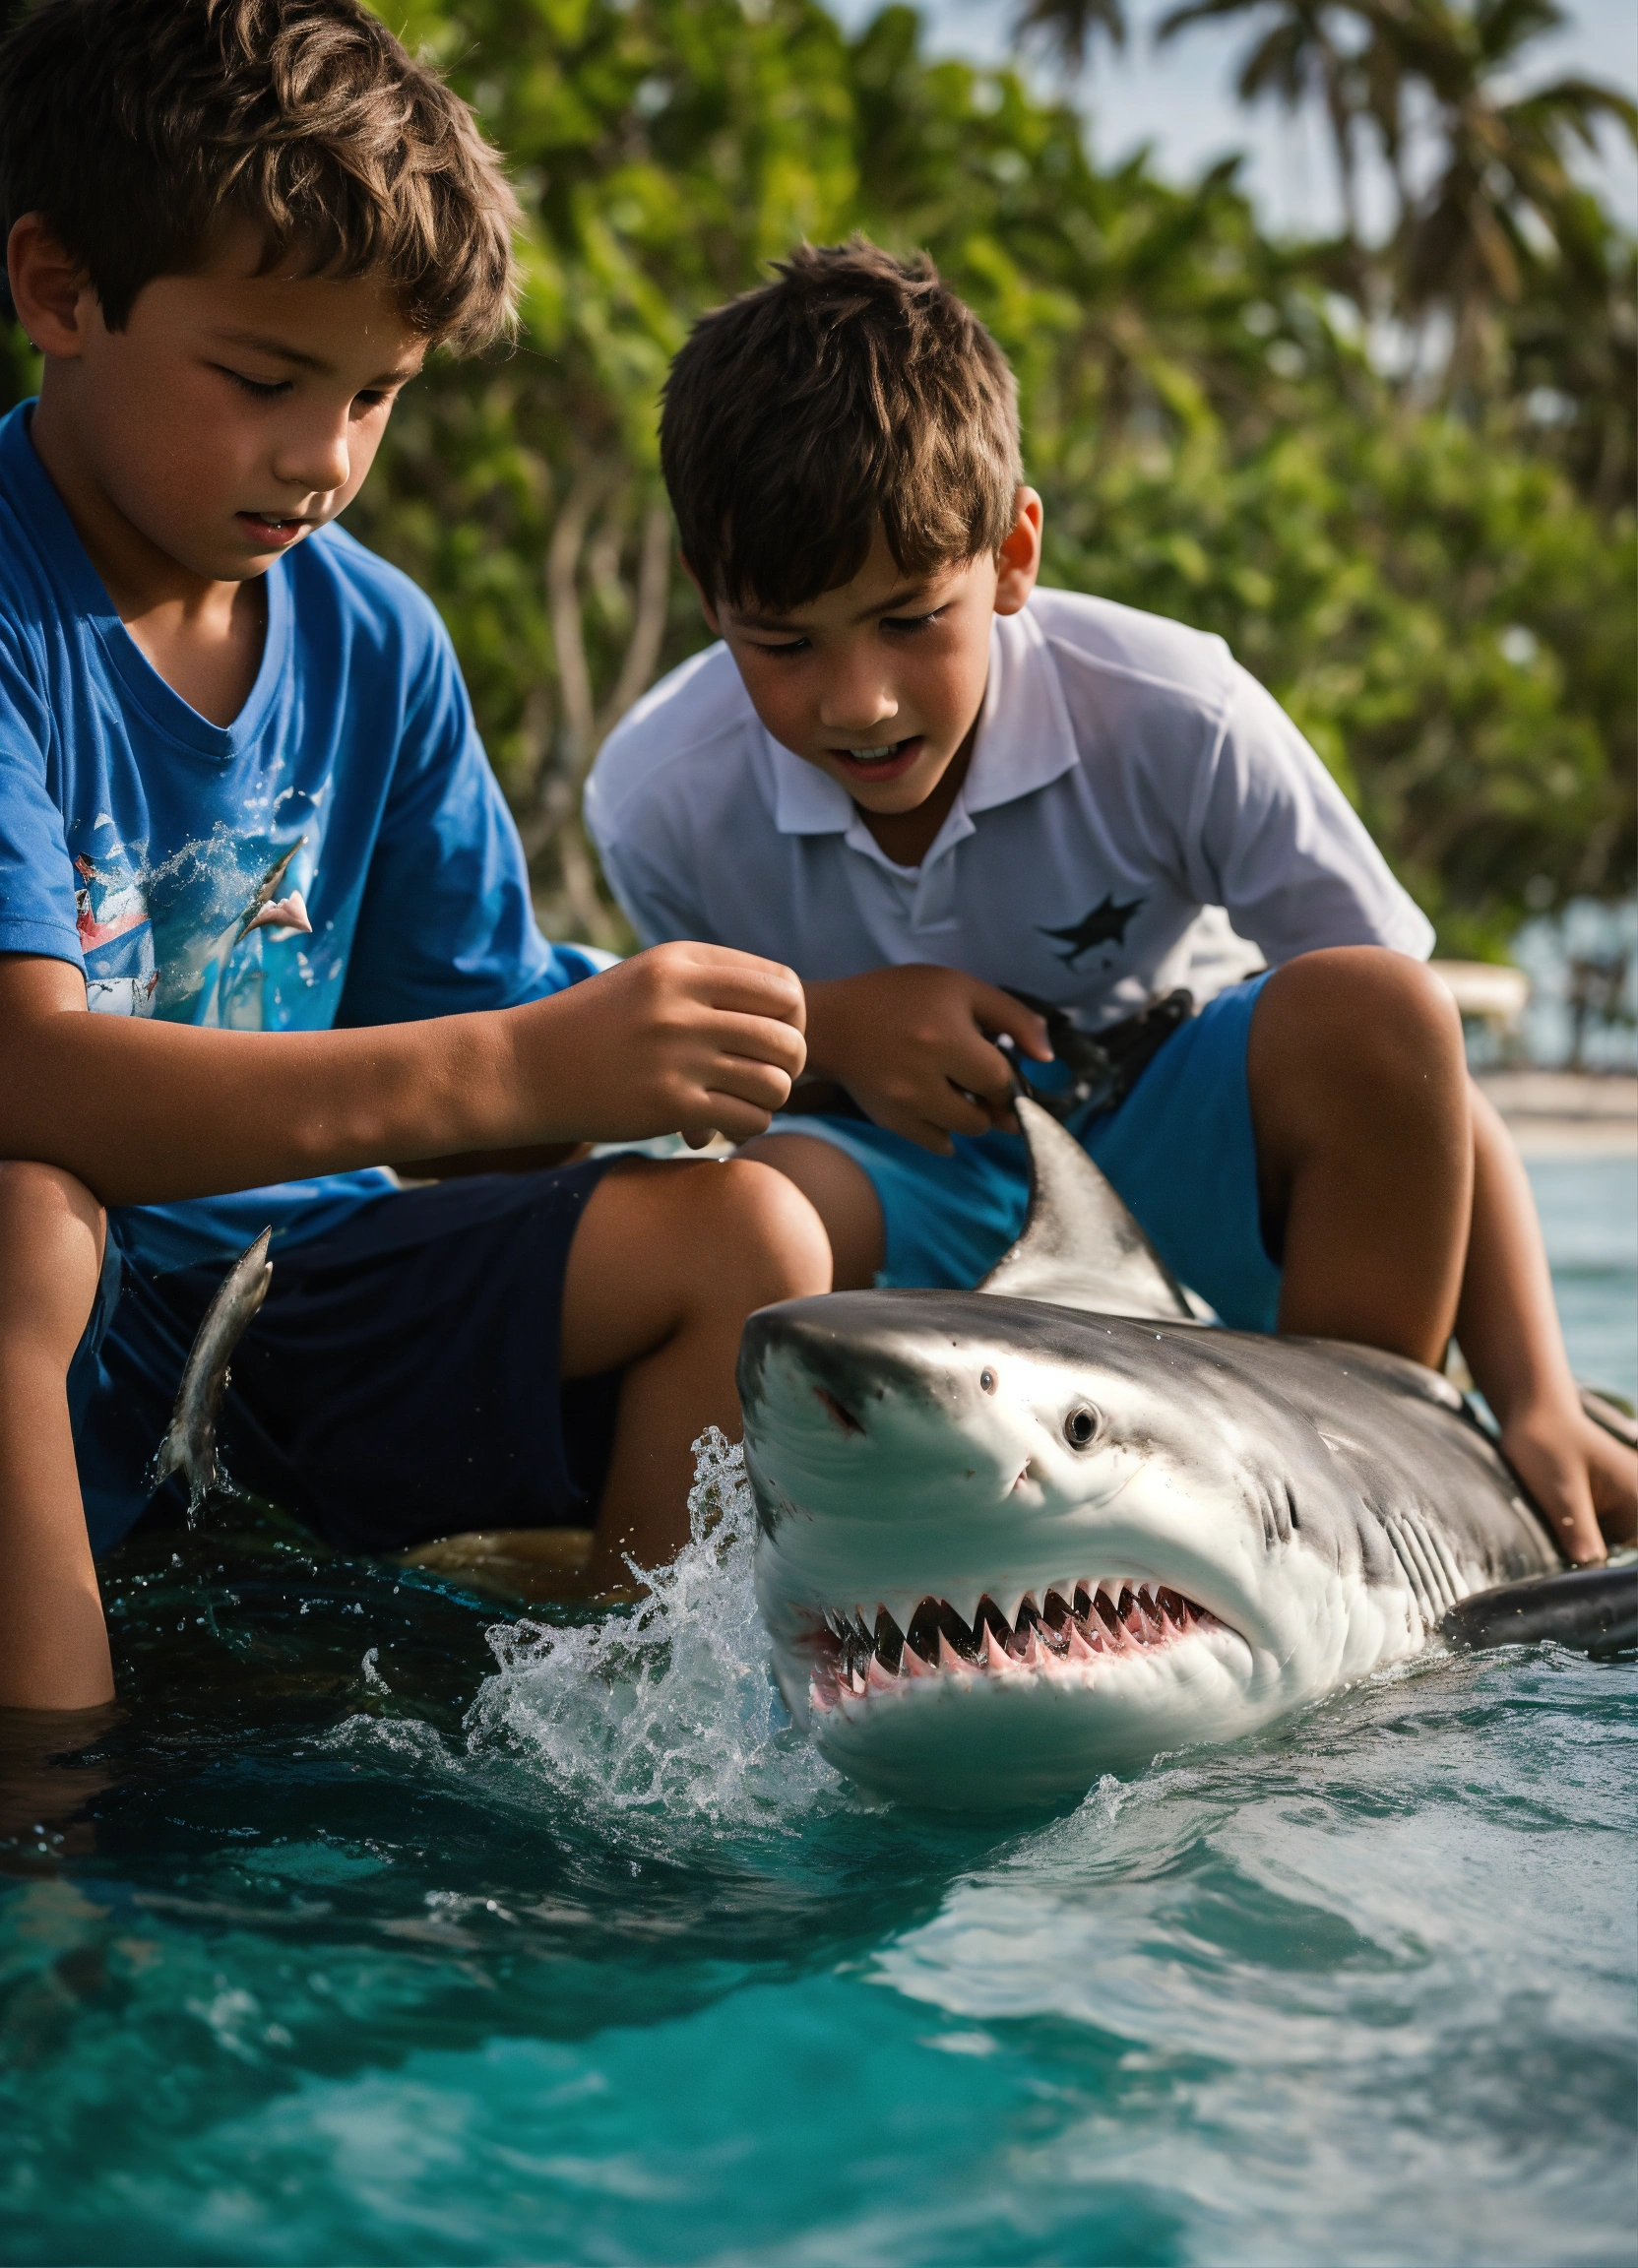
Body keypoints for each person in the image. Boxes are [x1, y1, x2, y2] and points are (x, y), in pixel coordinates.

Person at [0, 0, 833, 1717]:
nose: (325, 459)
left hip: (283, 1307)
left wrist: (667, 1051)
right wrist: (530, 1057)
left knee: (751, 1243)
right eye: (263, 379)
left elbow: (487, 1073)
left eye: (376, 395)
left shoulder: (377, 638)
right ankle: (54, 1822)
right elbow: (26, 1076)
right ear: (60, 292)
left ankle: (606, 1754)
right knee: (23, 1223)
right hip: (55, 1308)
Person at [587, 237, 1636, 1566]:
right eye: (785, 644)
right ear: (707, 599)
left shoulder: (1174, 710)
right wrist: (837, 1032)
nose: (858, 700)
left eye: (910, 619)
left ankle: (1354, 1506)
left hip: (1175, 1142)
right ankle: (648, 1639)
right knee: (746, 1216)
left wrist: (1532, 1396)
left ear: (1013, 554)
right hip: (911, 1180)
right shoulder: (657, 795)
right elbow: (710, 1100)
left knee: (1372, 1003)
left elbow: (1416, 1069)